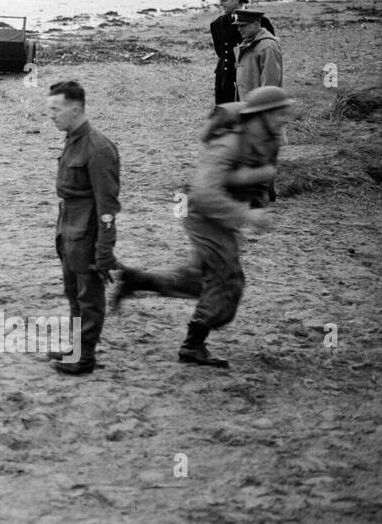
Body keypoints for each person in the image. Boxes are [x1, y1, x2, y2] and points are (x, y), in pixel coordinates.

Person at [112, 87, 297, 369]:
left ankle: (138, 280)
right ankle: (192, 345)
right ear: (261, 115)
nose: (286, 118)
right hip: (201, 213)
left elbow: (260, 178)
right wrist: (247, 214)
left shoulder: (269, 139)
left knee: (199, 279)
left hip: (223, 216)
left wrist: (257, 204)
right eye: (279, 112)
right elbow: (203, 194)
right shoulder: (230, 143)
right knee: (227, 279)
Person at [46, 80, 121, 376]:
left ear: (75, 109)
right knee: (73, 293)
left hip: (87, 231)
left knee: (89, 297)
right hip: (68, 228)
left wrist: (104, 251)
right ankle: (76, 348)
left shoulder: (98, 148)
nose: (51, 115)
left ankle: (85, 356)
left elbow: (108, 208)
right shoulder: (73, 139)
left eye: (56, 109)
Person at [210, 0, 275, 104]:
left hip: (250, 82)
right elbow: (221, 53)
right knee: (226, 118)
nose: (221, 3)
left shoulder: (261, 22)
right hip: (225, 81)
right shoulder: (217, 24)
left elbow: (267, 55)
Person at [233, 8, 283, 100]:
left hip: (260, 108)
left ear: (256, 24)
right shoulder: (247, 44)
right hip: (248, 106)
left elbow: (270, 86)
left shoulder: (267, 47)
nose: (239, 29)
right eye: (238, 26)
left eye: (243, 26)